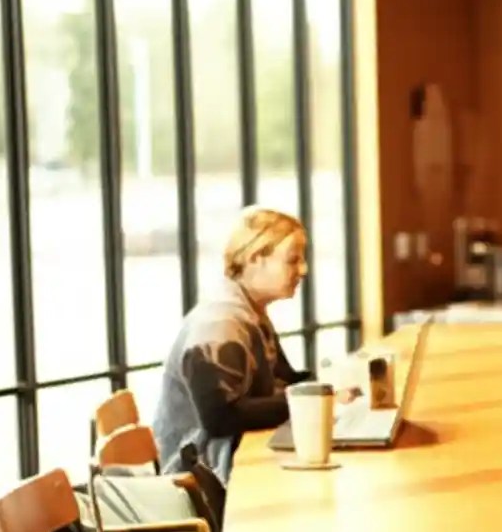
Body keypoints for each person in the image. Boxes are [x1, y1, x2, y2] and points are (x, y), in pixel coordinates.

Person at [151, 206, 354, 483]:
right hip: (202, 483)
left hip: (228, 462)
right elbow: (220, 417)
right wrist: (319, 401)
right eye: (293, 260)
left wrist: (337, 389)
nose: (304, 269)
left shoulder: (250, 311)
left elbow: (286, 381)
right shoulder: (219, 325)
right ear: (256, 258)